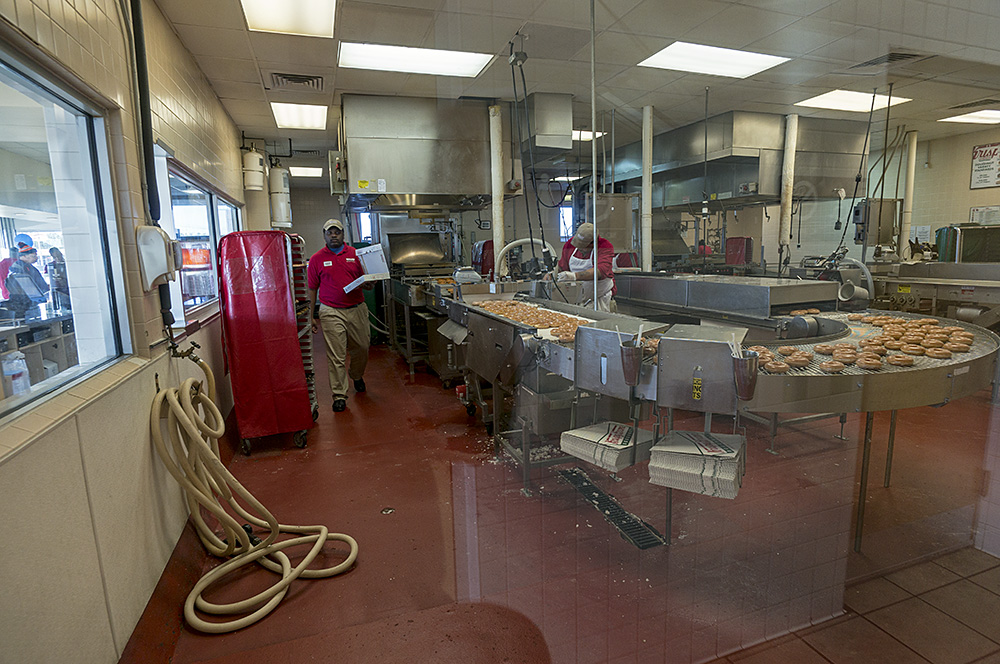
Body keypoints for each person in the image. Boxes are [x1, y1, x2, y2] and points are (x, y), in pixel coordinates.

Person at [307, 218, 372, 413]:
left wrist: (370, 284)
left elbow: (367, 280)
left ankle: (356, 375)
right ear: (324, 235)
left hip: (357, 308)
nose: (333, 235)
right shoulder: (317, 259)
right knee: (336, 355)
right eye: (330, 232)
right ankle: (339, 395)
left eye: (337, 232)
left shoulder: (355, 254)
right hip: (330, 311)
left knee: (362, 347)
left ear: (343, 234)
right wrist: (311, 316)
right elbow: (312, 289)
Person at [553, 222, 616, 312]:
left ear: (593, 243)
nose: (579, 249)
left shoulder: (604, 246)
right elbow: (562, 267)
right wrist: (552, 275)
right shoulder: (569, 245)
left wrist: (575, 276)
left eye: (583, 246)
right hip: (576, 300)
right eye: (578, 245)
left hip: (600, 301)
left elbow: (600, 271)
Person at [5, 243, 49, 318]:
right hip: (26, 304)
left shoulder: (29, 267)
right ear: (24, 256)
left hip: (33, 302)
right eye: (33, 256)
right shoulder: (17, 268)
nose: (36, 258)